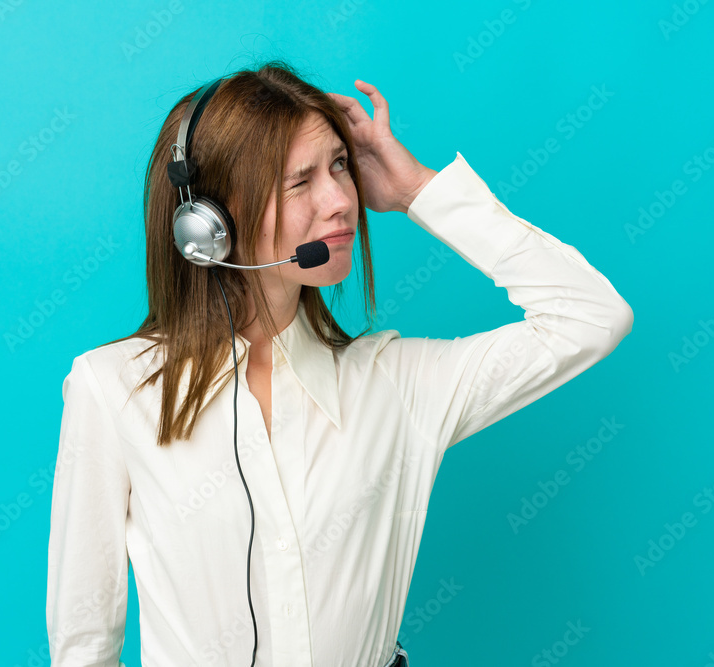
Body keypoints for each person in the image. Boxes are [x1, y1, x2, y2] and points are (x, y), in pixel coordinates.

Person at [45, 60, 633, 667]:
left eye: (340, 166)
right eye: (299, 182)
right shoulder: (113, 389)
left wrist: (416, 191)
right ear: (209, 222)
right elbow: (84, 645)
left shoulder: (399, 385)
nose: (340, 202)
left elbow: (592, 316)